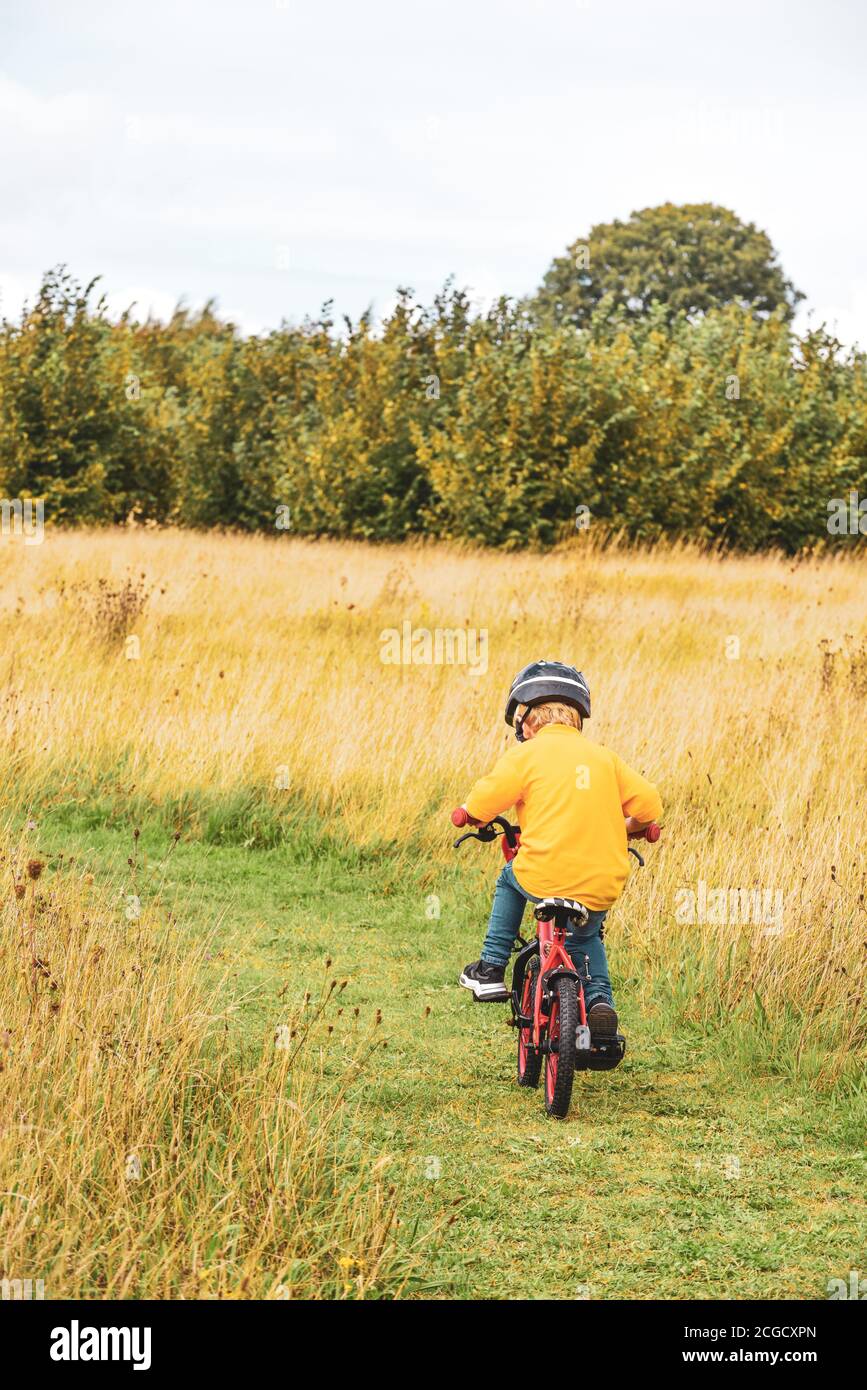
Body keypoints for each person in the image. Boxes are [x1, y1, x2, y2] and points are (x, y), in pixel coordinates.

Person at [458, 660, 662, 1039]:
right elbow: (650, 806)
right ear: (576, 719)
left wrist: (470, 814)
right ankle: (600, 1003)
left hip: (543, 874)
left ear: (530, 721)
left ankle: (490, 968)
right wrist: (627, 828)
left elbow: (485, 801)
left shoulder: (527, 755)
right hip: (600, 881)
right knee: (587, 937)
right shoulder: (604, 759)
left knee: (508, 880)